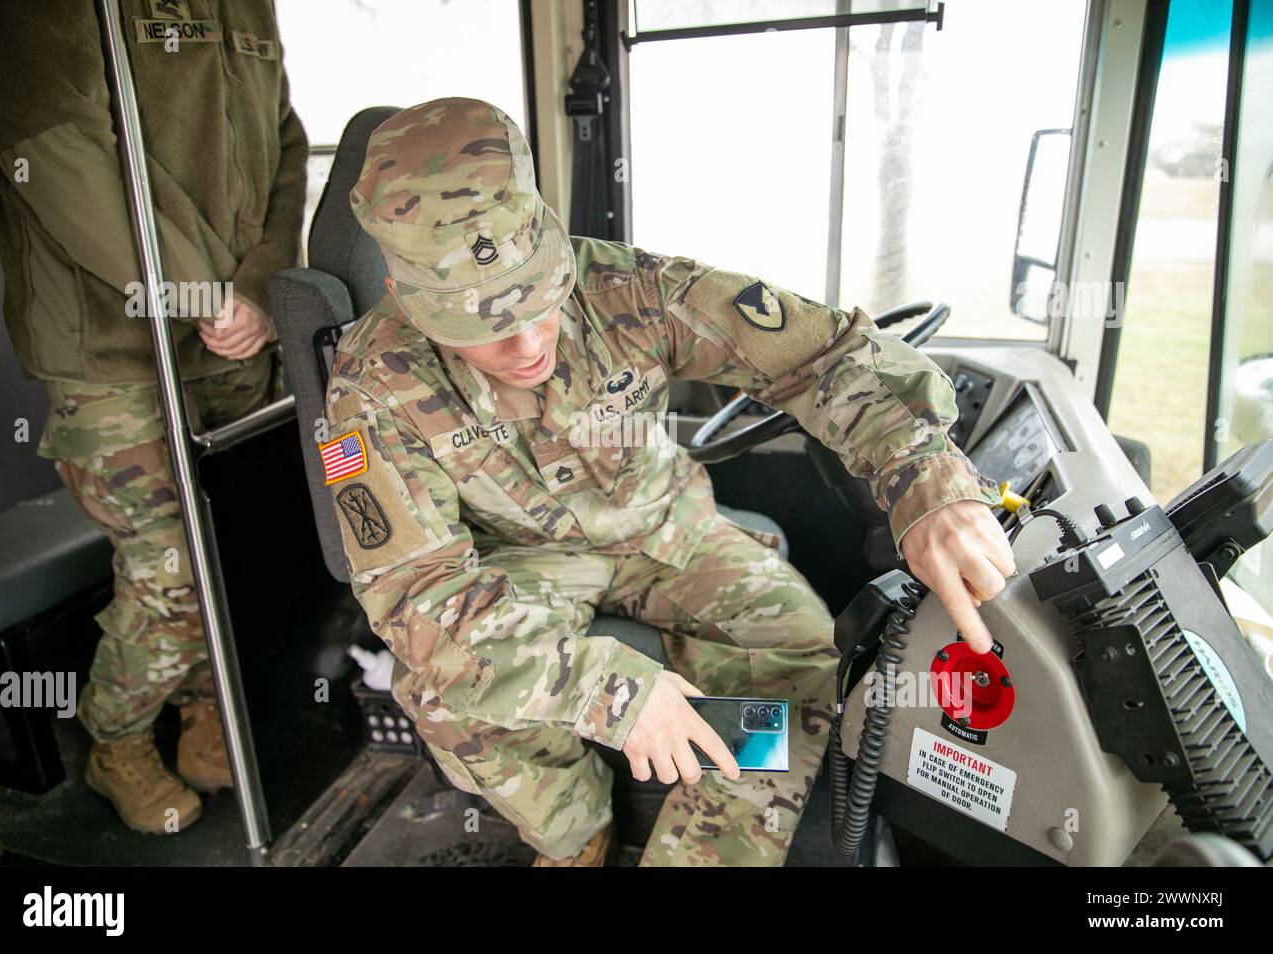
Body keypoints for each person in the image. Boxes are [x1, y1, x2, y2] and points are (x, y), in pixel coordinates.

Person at [324, 97, 1015, 865]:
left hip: (668, 530)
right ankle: (576, 837)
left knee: (805, 652)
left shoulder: (634, 289)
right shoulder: (371, 386)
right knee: (443, 693)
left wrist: (926, 475)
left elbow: (821, 355)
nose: (525, 344)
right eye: (480, 326)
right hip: (522, 563)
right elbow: (420, 594)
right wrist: (609, 691)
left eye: (539, 298)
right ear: (403, 297)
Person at [0, 3, 307, 834]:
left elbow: (286, 140)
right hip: (111, 351)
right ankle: (116, 741)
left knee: (234, 544)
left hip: (234, 338)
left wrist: (262, 287)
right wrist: (204, 291)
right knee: (173, 574)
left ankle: (205, 719)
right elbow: (49, 146)